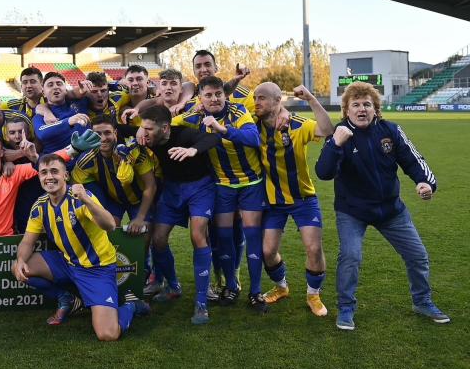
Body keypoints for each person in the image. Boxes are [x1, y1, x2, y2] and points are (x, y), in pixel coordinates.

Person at [315, 81, 450, 330]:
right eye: (355, 105)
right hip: (352, 211)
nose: (362, 109)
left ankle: (422, 301)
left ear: (376, 109)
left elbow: (414, 160)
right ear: (347, 111)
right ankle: (346, 309)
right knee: (350, 257)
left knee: (418, 255)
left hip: (391, 210)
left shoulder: (391, 131)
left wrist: (425, 183)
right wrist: (335, 144)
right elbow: (323, 172)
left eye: (367, 104)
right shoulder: (340, 133)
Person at [12, 154, 150, 339]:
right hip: (67, 262)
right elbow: (28, 242)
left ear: (65, 176)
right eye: (44, 172)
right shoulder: (40, 206)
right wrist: (21, 260)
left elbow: (109, 225)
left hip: (97, 269)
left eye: (54, 171)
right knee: (19, 268)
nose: (49, 177)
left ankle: (131, 305)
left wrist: (86, 199)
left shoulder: (80, 197)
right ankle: (68, 299)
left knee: (108, 334)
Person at [172, 76, 266, 311]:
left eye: (218, 94)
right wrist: (142, 125)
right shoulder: (195, 116)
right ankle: (232, 286)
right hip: (223, 184)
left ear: (225, 95)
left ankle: (255, 292)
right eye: (208, 95)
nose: (214, 99)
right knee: (223, 237)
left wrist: (222, 129)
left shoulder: (239, 111)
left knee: (252, 235)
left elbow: (254, 138)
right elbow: (168, 123)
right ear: (200, 99)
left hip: (251, 182)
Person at [253, 82, 333, 317]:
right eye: (255, 98)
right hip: (273, 201)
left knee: (314, 248)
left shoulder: (297, 124)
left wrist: (310, 98)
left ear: (278, 101)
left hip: (303, 198)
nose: (256, 102)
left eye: (262, 98)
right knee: (267, 252)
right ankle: (281, 287)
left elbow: (328, 130)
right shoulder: (252, 124)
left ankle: (313, 294)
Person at [139, 104, 221, 324]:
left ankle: (201, 303)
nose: (144, 133)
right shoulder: (150, 139)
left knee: (197, 235)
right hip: (172, 190)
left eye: (148, 129)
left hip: (200, 189)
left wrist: (192, 150)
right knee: (158, 239)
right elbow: (120, 129)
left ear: (165, 128)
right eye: (142, 128)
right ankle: (174, 286)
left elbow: (212, 139)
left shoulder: (183, 133)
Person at [72, 116, 157, 233]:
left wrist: (140, 218)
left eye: (107, 133)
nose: (103, 138)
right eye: (97, 134)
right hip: (113, 200)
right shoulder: (87, 160)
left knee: (144, 235)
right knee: (109, 230)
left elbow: (150, 185)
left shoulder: (133, 152)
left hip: (139, 200)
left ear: (115, 133)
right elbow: (75, 185)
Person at [33, 72, 91, 155]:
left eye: (59, 84)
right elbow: (42, 133)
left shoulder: (80, 102)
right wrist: (69, 121)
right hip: (58, 164)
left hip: (88, 162)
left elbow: (103, 88)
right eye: (50, 85)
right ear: (43, 93)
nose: (55, 87)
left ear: (66, 89)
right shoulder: (40, 116)